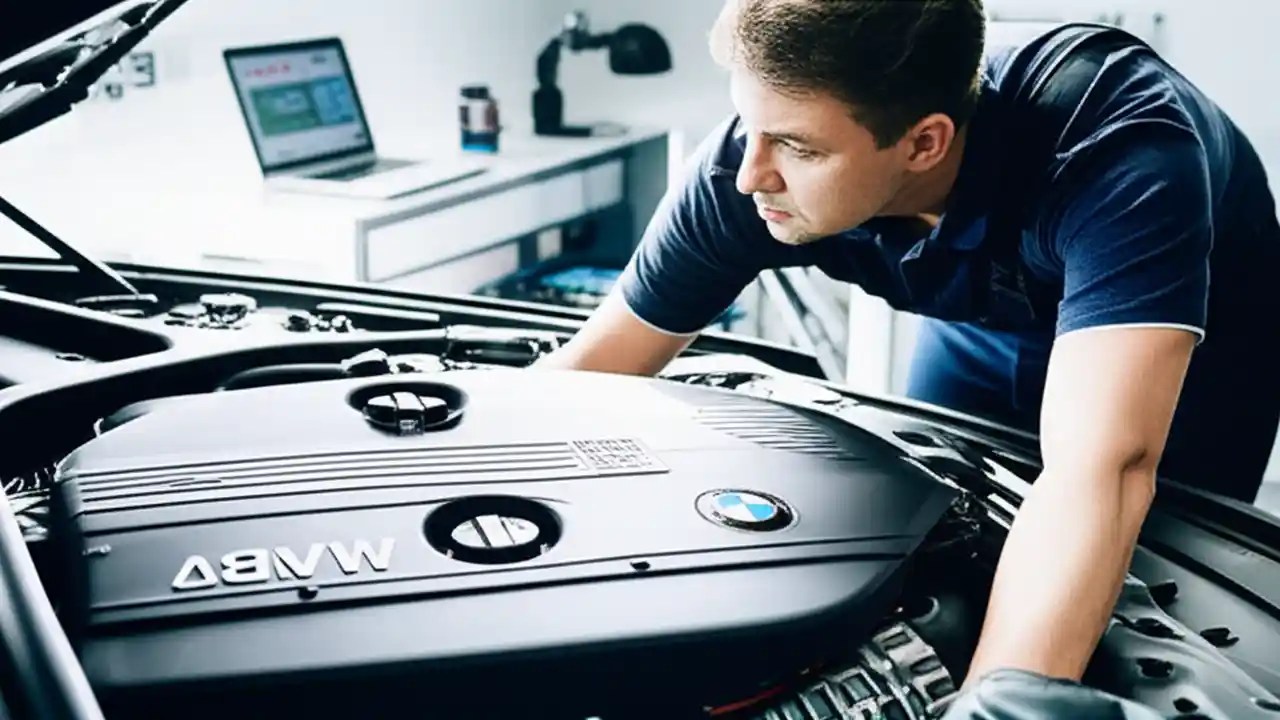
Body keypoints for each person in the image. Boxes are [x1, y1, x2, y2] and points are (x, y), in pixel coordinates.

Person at [536, 0, 1280, 692]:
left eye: (796, 145)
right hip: (982, 326)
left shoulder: (1114, 147)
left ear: (925, 143)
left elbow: (1102, 472)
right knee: (943, 543)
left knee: (1137, 599)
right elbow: (588, 377)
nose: (748, 174)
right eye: (746, 125)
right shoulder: (747, 169)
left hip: (1188, 340)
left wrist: (998, 704)